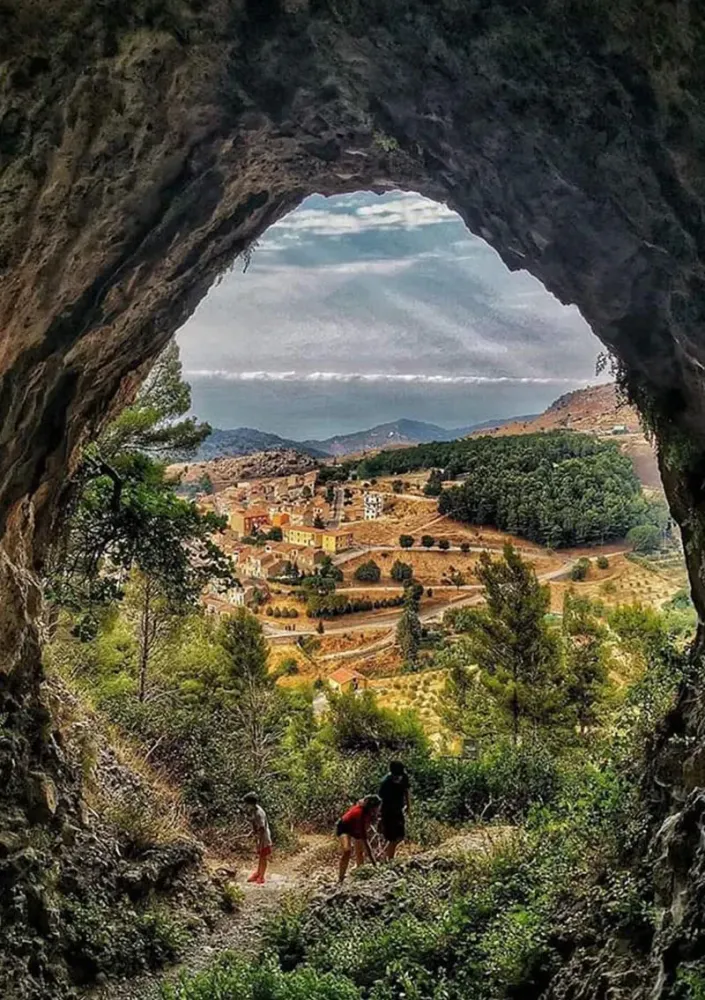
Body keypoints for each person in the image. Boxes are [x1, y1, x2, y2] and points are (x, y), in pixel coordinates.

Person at [335, 794, 381, 883]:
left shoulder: (368, 813)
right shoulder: (360, 815)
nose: (378, 810)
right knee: (347, 851)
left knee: (359, 852)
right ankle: (340, 878)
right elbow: (366, 843)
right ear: (372, 807)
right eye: (377, 808)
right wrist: (374, 864)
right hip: (344, 826)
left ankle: (360, 873)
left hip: (355, 827)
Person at [378, 760, 410, 859]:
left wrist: (408, 806)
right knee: (391, 837)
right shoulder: (385, 782)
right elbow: (380, 800)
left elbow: (406, 791)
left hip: (398, 810)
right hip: (387, 812)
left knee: (400, 836)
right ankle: (389, 859)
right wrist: (378, 815)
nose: (398, 778)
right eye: (396, 776)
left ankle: (387, 855)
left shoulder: (404, 777)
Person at [243, 792, 272, 884]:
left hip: (264, 837)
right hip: (260, 836)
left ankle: (262, 876)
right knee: (260, 856)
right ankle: (258, 872)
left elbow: (262, 827)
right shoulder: (254, 810)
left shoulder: (259, 813)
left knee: (263, 857)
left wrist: (258, 838)